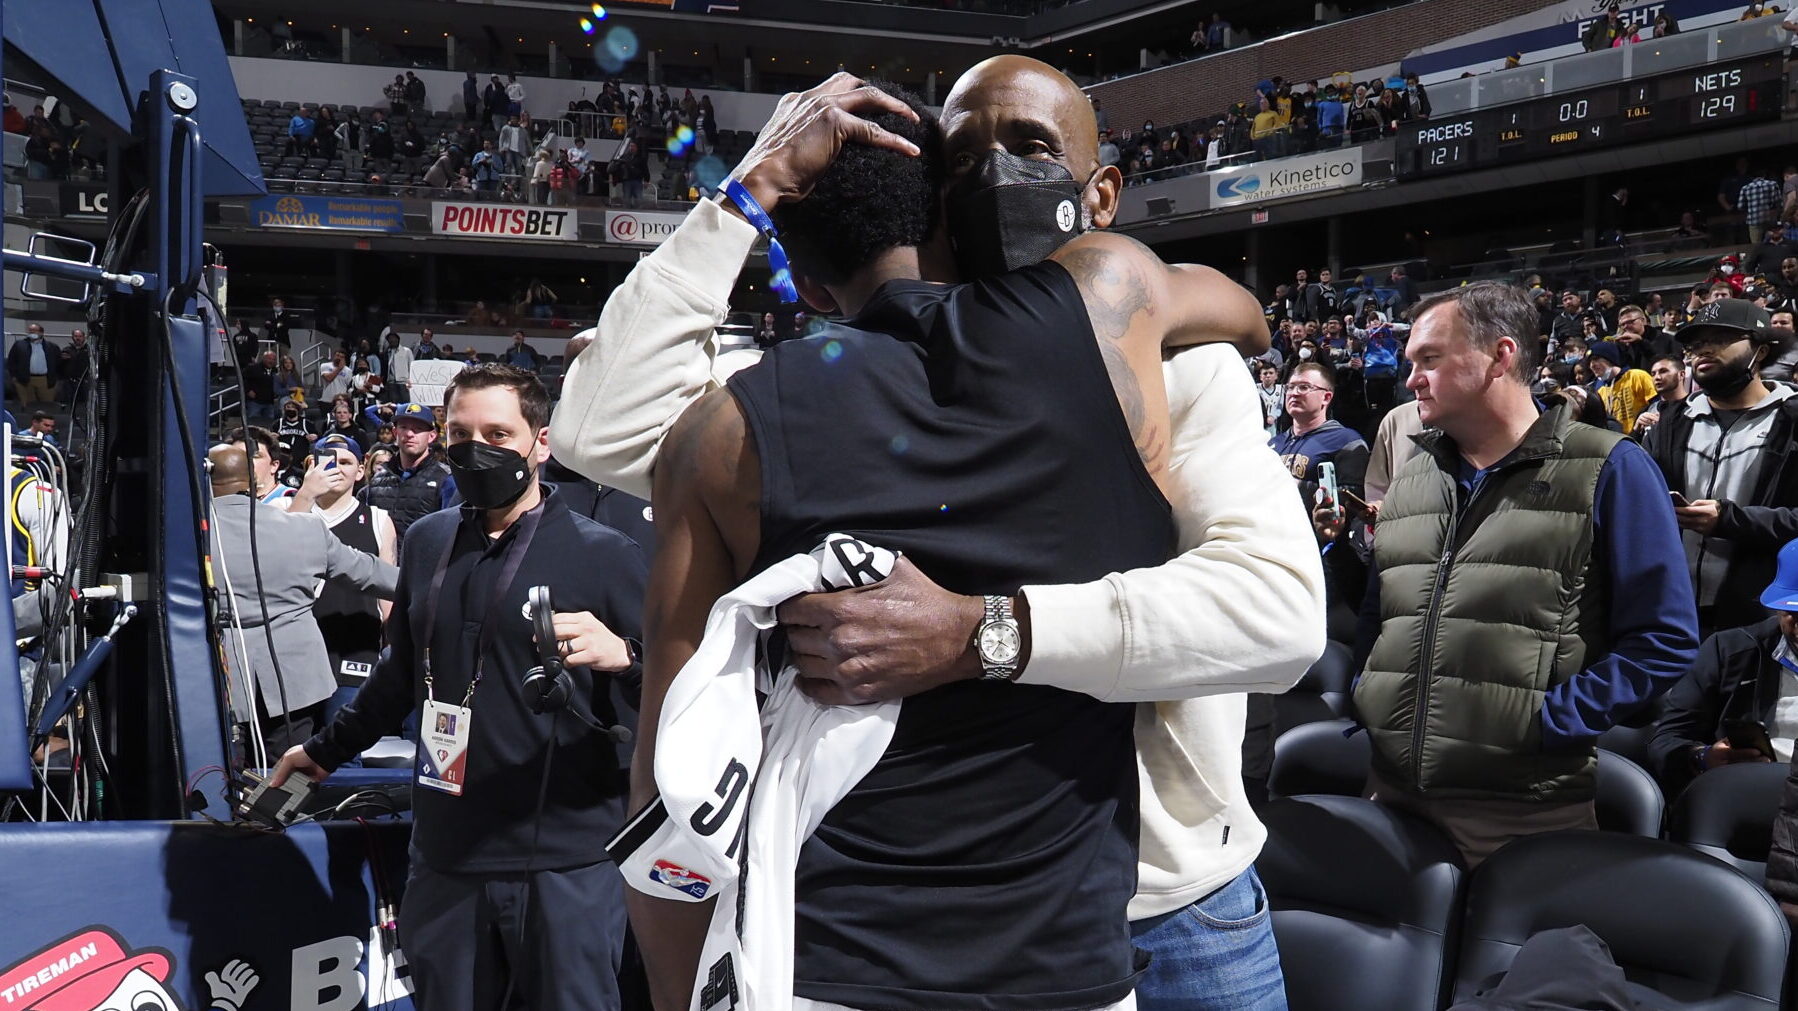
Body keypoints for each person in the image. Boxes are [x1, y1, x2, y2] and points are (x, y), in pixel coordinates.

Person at [558, 68, 1320, 1011]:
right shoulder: (819, 387)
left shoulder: (1179, 368)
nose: (997, 178)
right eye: (964, 159)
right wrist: (740, 196)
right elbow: (595, 428)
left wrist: (976, 632)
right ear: (933, 197)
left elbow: (1279, 618)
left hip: (1172, 906)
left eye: (1033, 149)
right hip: (940, 934)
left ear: (1104, 194)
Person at [272, 365, 647, 1011]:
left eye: (499, 432)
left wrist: (626, 656)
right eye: (461, 431)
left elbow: (678, 685)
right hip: (446, 852)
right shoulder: (426, 541)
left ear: (542, 442)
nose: (478, 447)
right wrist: (323, 753)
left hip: (563, 856)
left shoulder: (606, 552)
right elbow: (397, 677)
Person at [1354, 281, 1699, 867]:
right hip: (1391, 794)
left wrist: (1548, 723)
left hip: (1520, 811)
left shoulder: (1610, 466)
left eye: (1429, 359)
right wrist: (1367, 699)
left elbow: (1664, 639)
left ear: (1501, 356)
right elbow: (1380, 612)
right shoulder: (1414, 474)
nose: (1412, 379)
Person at [208, 443, 397, 756]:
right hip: (295, 680)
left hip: (223, 677)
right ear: (254, 484)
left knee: (226, 773)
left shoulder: (192, 536)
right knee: (286, 775)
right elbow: (371, 575)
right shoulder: (305, 529)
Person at [1643, 299, 1798, 638]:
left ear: (1761, 349)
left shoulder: (1791, 421)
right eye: (1696, 344)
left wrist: (1730, 520)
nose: (1703, 351)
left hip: (1760, 615)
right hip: (1670, 610)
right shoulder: (1669, 423)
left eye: (1721, 338)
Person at [1648, 539, 1798, 797]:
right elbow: (1666, 742)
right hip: (1750, 798)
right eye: (1792, 613)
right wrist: (1703, 757)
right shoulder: (1729, 650)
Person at [288, 435, 398, 708]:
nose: (337, 469)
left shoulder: (378, 519)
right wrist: (305, 494)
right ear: (311, 465)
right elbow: (276, 557)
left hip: (356, 646)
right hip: (297, 649)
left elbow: (389, 592)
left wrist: (392, 644)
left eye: (347, 462)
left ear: (361, 470)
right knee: (291, 745)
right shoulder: (287, 509)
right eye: (328, 461)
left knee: (344, 743)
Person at [1269, 361, 1370, 498]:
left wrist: (1297, 487)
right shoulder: (1273, 444)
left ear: (1326, 397)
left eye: (1304, 387)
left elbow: (1354, 498)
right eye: (1290, 387)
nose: (1294, 393)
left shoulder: (1346, 441)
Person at [365, 402, 457, 541]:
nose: (409, 434)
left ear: (431, 436)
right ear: (395, 433)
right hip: (381, 561)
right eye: (404, 427)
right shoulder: (378, 478)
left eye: (418, 429)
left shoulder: (446, 479)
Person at [1585, 341, 1656, 432]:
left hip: (1642, 436)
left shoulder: (1637, 376)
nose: (1592, 365)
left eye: (1596, 359)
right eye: (1589, 362)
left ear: (1610, 358)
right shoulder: (1600, 390)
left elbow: (1656, 404)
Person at [1633, 354, 1690, 436]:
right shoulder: (1647, 411)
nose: (1657, 377)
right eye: (1653, 374)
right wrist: (1636, 431)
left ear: (1681, 375)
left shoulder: (1693, 407)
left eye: (1663, 371)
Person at [8, 325, 57, 406]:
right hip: (25, 380)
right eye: (30, 331)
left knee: (47, 406)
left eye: (34, 330)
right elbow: (11, 361)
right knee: (28, 406)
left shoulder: (51, 346)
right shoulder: (19, 345)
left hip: (45, 380)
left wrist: (55, 378)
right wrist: (14, 377)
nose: (31, 332)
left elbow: (57, 362)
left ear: (41, 333)